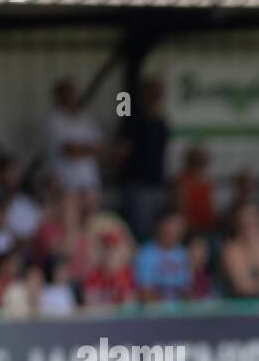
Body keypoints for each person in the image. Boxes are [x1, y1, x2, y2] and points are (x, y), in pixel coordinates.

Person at [115, 77, 169, 242]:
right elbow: (120, 151)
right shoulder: (131, 118)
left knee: (158, 228)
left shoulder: (161, 121)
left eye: (158, 93)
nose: (155, 96)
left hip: (158, 182)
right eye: (151, 92)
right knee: (140, 230)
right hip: (138, 184)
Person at [46, 78, 104, 194]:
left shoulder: (85, 118)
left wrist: (81, 148)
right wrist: (88, 148)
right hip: (65, 185)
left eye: (73, 93)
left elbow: (101, 148)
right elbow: (69, 151)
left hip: (89, 182)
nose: (70, 96)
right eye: (66, 93)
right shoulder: (53, 120)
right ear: (58, 96)